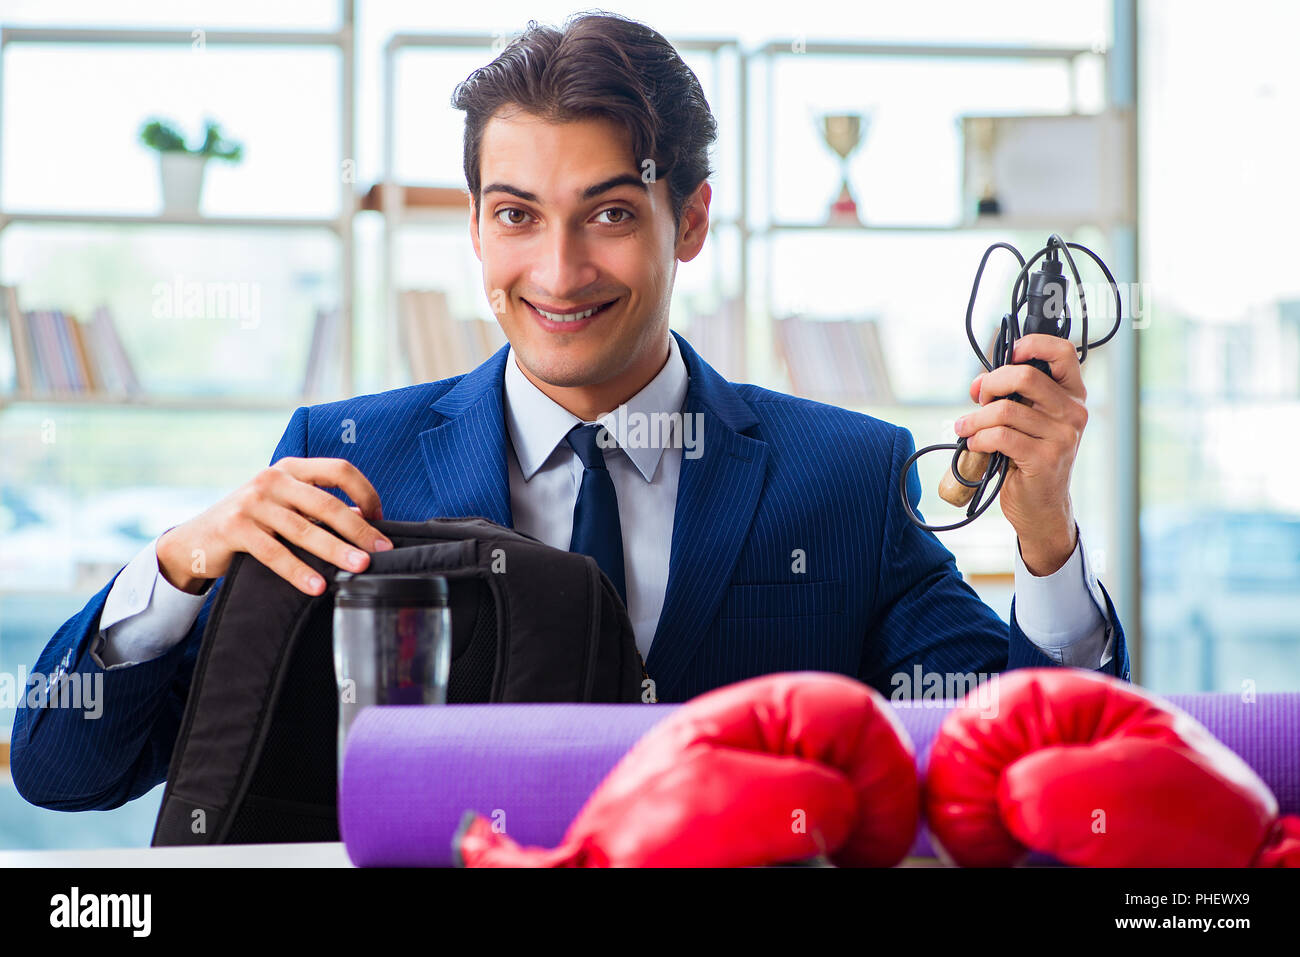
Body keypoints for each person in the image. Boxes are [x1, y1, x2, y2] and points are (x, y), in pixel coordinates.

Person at [11, 12, 1129, 812]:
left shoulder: (838, 474)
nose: (555, 270)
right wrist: (174, 567)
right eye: (515, 214)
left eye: (605, 213)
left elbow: (1053, 774)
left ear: (688, 220)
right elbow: (67, 772)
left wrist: (1042, 542)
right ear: (475, 226)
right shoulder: (347, 463)